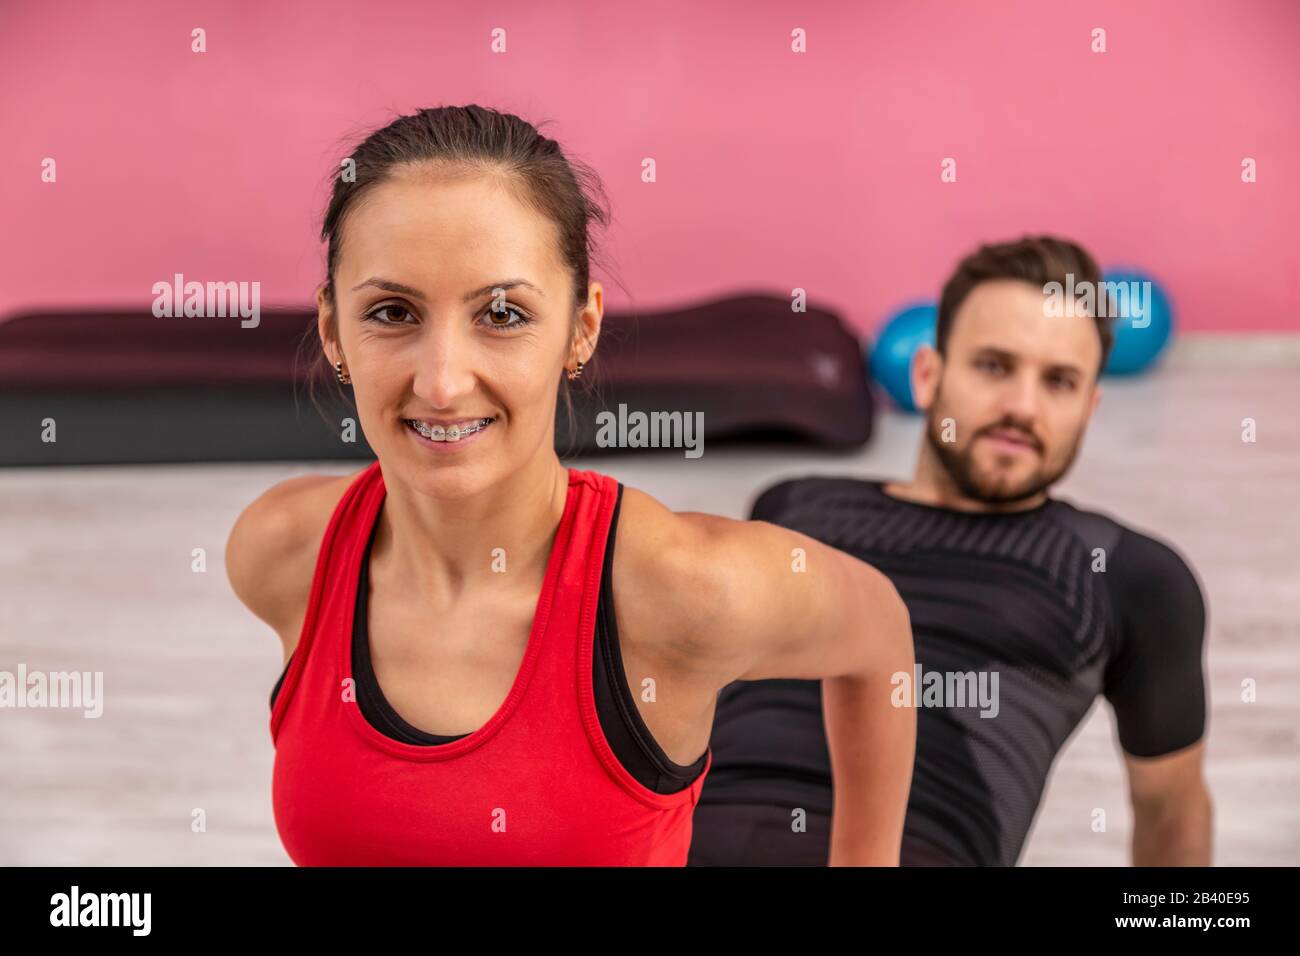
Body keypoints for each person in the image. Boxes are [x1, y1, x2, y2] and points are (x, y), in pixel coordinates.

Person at [224, 105, 915, 866]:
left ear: (580, 330)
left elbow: (878, 628)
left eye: (502, 313)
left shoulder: (678, 590)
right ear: (333, 333)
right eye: (393, 312)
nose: (444, 382)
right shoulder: (283, 550)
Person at [688, 236, 1212, 867]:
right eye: (994, 366)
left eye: (1059, 382)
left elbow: (1169, 813)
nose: (1022, 406)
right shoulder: (795, 508)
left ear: (1089, 408)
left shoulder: (1127, 576)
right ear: (928, 375)